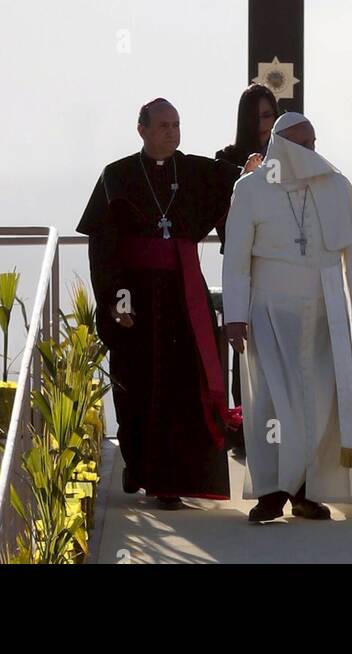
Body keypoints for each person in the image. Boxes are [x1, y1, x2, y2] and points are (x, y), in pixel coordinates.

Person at [76, 98, 240, 507]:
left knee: (186, 386)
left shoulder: (193, 170)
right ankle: (142, 469)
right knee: (138, 388)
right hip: (137, 297)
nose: (172, 132)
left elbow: (237, 179)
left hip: (184, 296)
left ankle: (175, 479)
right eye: (164, 125)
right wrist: (118, 299)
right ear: (142, 130)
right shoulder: (118, 177)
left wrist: (255, 167)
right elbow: (104, 245)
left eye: (177, 124)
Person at [222, 111, 352, 523]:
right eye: (303, 146)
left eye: (314, 144)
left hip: (325, 313)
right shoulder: (249, 190)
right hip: (270, 312)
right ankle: (272, 491)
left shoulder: (335, 186)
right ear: (282, 147)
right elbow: (236, 260)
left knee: (319, 406)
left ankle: (307, 493)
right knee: (273, 406)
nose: (312, 153)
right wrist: (234, 316)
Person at [215, 84, 281, 456]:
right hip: (242, 265)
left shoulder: (289, 157)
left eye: (269, 115)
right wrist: (244, 176)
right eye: (257, 117)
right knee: (244, 345)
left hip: (279, 265)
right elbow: (221, 221)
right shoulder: (225, 159)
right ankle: (242, 422)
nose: (263, 124)